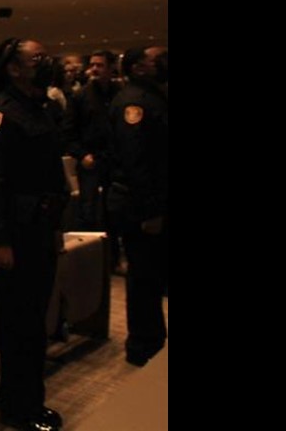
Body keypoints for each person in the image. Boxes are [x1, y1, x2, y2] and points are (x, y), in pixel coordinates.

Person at [0, 37, 68, 431]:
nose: (45, 62)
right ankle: (17, 409)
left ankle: (33, 401)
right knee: (18, 326)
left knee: (36, 321)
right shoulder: (0, 112)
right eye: (38, 58)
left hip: (41, 228)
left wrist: (57, 227)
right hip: (15, 234)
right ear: (14, 68)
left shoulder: (39, 107)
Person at [107, 46, 168, 366]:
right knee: (144, 277)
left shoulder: (153, 97)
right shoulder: (135, 102)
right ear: (138, 68)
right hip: (138, 204)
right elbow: (137, 163)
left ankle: (153, 338)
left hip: (150, 201)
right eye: (155, 59)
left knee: (153, 275)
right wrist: (152, 211)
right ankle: (143, 345)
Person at [63, 50, 121, 232]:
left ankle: (113, 254)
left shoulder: (120, 93)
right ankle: (92, 254)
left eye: (100, 65)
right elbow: (67, 132)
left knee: (114, 209)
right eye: (92, 65)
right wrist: (82, 155)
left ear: (111, 68)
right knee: (89, 210)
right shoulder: (80, 96)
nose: (94, 69)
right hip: (91, 160)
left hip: (115, 160)